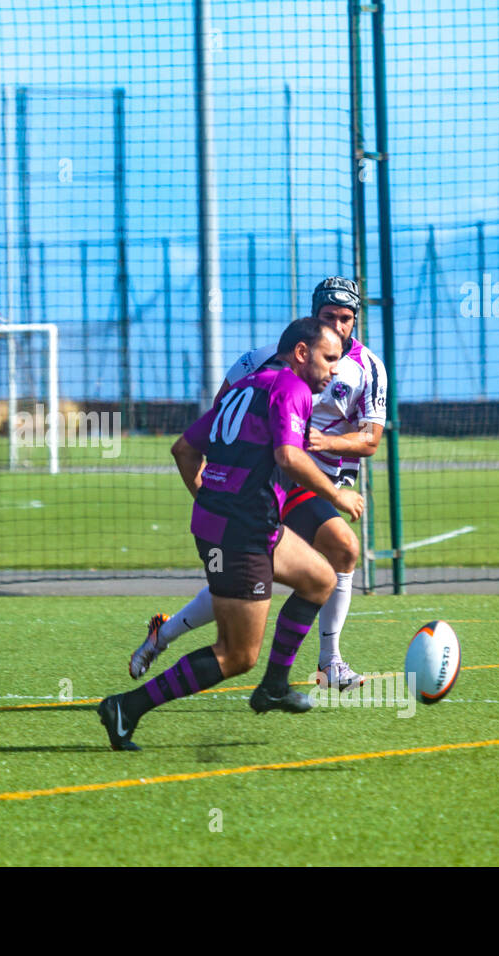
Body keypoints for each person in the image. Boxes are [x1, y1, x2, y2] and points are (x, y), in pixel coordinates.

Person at [99, 319, 361, 750]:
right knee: (237, 655)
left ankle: (274, 686)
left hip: (239, 522)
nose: (334, 370)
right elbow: (289, 457)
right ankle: (126, 708)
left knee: (320, 579)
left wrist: (207, 497)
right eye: (329, 358)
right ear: (300, 352)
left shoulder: (247, 385)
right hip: (241, 531)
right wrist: (338, 495)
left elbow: (184, 449)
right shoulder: (291, 388)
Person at [130, 277, 385, 691]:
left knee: (329, 554)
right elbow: (224, 409)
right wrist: (217, 484)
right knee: (258, 578)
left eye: (346, 319)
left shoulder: (368, 368)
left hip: (303, 484)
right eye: (328, 318)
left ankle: (326, 664)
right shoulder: (265, 361)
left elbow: (371, 439)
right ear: (311, 319)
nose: (338, 327)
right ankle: (299, 674)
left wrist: (325, 443)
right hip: (263, 483)